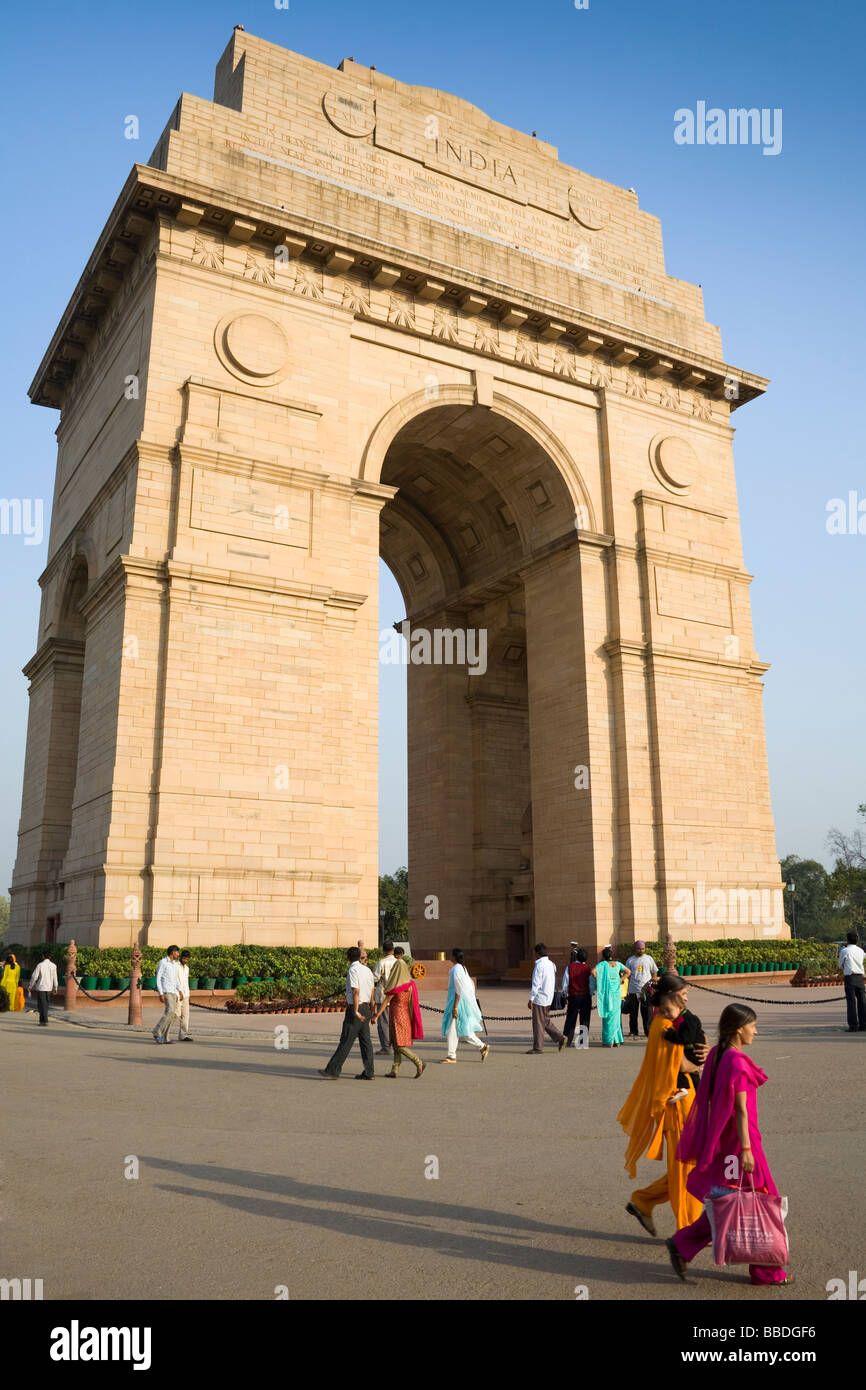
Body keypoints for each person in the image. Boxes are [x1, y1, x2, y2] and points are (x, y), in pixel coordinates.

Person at [667, 1003, 790, 1286]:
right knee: (761, 1199)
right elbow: (741, 1110)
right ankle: (766, 1271)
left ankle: (682, 1244)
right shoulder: (737, 1063)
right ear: (738, 1029)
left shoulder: (717, 1054)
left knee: (728, 1202)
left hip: (727, 1142)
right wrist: (747, 1150)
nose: (756, 1031)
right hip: (741, 1144)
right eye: (752, 1026)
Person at [619, 973, 707, 1236]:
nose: (687, 997)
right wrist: (704, 1060)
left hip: (687, 1099)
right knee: (686, 1167)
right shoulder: (663, 1025)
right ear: (669, 996)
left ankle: (644, 1200)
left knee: (690, 1165)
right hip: (677, 1103)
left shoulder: (670, 1021)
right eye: (684, 993)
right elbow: (680, 1064)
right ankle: (689, 1229)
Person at [319, 947, 376, 1079]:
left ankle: (333, 1070)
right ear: (359, 957)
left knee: (346, 1040)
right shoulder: (367, 970)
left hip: (356, 1008)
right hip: (366, 1008)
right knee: (365, 1041)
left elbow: (356, 991)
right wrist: (373, 1010)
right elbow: (372, 991)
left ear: (348, 957)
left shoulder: (353, 970)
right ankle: (369, 1072)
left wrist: (355, 1011)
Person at [371, 952, 425, 1078]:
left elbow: (385, 1002)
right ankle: (394, 1069)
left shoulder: (397, 987)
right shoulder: (410, 984)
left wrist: (377, 1015)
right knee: (396, 1043)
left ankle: (418, 1062)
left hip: (396, 1016)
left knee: (400, 1045)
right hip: (405, 1015)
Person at [441, 949, 489, 1063]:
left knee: (458, 1029)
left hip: (458, 1002)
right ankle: (481, 1047)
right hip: (460, 1002)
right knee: (458, 1029)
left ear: (453, 957)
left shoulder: (456, 969)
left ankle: (452, 1055)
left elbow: (458, 989)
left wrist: (455, 1007)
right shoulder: (462, 968)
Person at [526, 942, 565, 1053]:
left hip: (540, 998)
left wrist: (531, 998)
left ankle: (538, 1047)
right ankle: (560, 1037)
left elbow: (536, 984)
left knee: (538, 1022)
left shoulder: (539, 966)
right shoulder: (552, 964)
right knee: (544, 1020)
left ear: (537, 953)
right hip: (549, 997)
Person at [590, 947, 630, 1047]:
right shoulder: (618, 964)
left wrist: (600, 980)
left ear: (603, 956)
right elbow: (628, 972)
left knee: (608, 1017)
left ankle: (609, 1041)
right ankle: (617, 1040)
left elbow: (593, 972)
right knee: (615, 1017)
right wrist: (621, 979)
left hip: (607, 993)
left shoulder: (602, 964)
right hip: (617, 993)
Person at [624, 941, 659, 1039]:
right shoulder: (630, 960)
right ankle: (633, 1031)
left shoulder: (649, 959)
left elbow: (654, 971)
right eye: (639, 948)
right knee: (633, 1012)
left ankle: (648, 1031)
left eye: (643, 948)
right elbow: (627, 974)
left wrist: (653, 983)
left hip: (646, 991)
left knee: (647, 1012)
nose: (641, 950)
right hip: (633, 990)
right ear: (635, 949)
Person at [561, 947, 592, 1047]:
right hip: (585, 996)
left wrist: (564, 994)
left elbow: (565, 982)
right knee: (585, 1019)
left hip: (574, 996)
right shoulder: (588, 968)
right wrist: (591, 993)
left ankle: (567, 1040)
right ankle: (583, 1042)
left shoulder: (570, 967)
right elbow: (591, 983)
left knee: (571, 1018)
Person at [152, 945, 183, 1045]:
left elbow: (175, 979)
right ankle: (157, 1031)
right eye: (177, 952)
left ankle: (165, 1037)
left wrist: (180, 991)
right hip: (166, 991)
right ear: (173, 952)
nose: (178, 954)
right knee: (169, 1012)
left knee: (172, 1014)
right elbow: (158, 978)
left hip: (173, 992)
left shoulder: (174, 964)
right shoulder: (163, 962)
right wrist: (160, 993)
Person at [838, 930, 866, 1033]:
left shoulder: (845, 951)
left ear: (847, 940)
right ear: (857, 940)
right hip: (860, 977)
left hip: (850, 977)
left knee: (851, 1002)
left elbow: (840, 965)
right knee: (862, 1002)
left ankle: (853, 1026)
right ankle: (863, 1024)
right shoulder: (860, 951)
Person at [373, 940, 397, 1053]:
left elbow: (375, 978)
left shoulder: (381, 962)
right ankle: (395, 1044)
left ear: (383, 950)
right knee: (393, 1022)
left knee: (383, 1022)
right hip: (396, 996)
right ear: (393, 949)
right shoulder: (398, 962)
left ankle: (386, 1046)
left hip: (383, 995)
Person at [27, 950, 59, 1026]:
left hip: (41, 987)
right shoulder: (53, 966)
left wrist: (30, 985)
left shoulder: (40, 965)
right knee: (46, 1004)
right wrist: (55, 987)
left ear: (43, 956)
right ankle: (43, 1020)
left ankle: (44, 1020)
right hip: (49, 987)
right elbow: (55, 977)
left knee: (41, 1004)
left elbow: (34, 976)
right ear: (50, 957)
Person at [175, 950, 194, 1041]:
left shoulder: (186, 968)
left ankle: (183, 1035)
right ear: (181, 957)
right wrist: (178, 992)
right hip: (177, 994)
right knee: (175, 1014)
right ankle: (163, 1032)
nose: (185, 960)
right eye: (184, 958)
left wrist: (188, 995)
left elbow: (186, 982)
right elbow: (174, 981)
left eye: (187, 959)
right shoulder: (175, 966)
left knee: (185, 1015)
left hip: (185, 995)